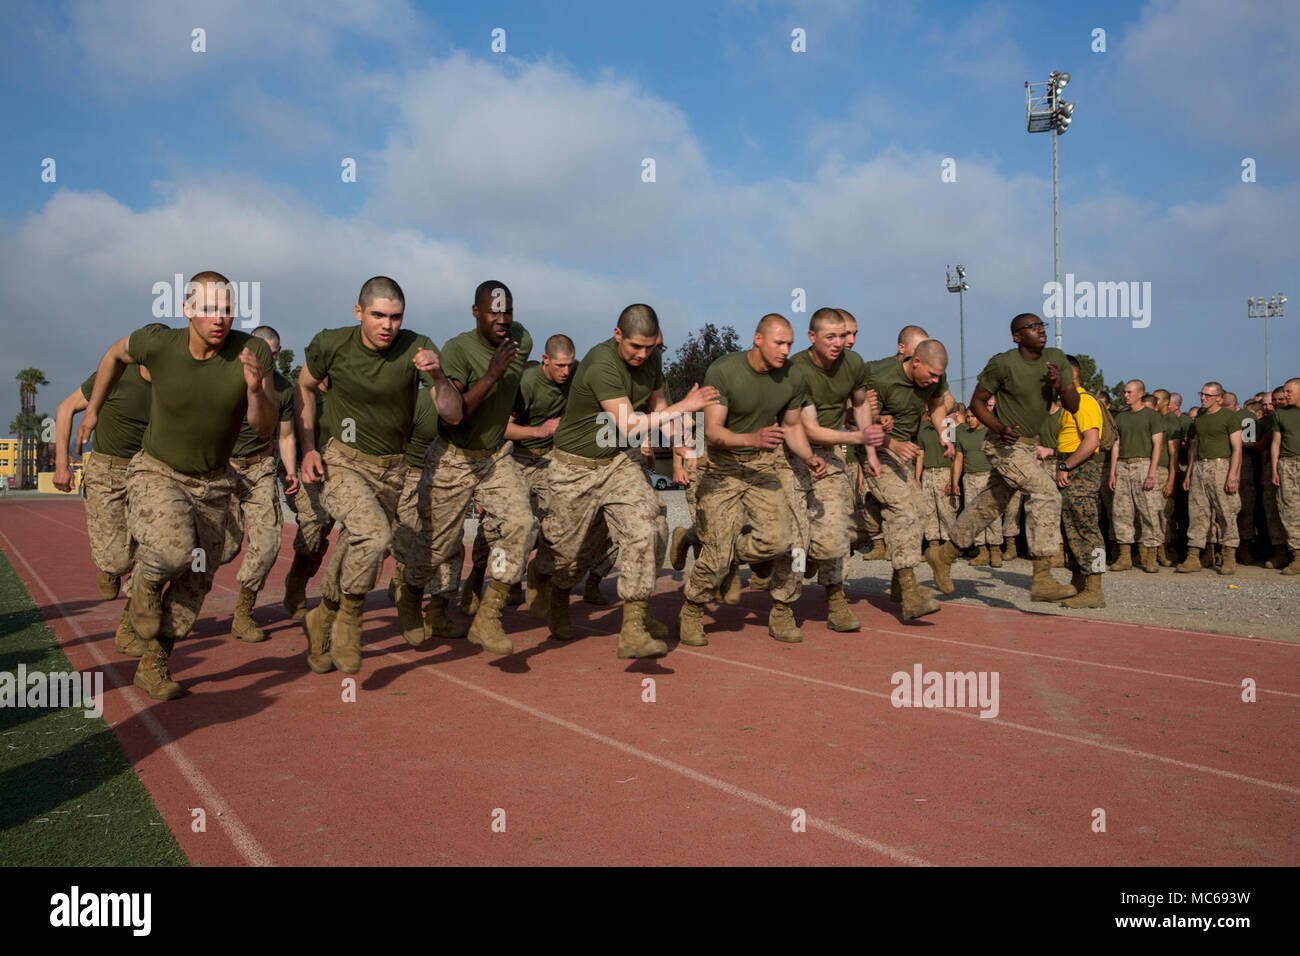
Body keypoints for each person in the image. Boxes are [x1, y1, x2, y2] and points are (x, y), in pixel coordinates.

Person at [77, 273, 276, 700]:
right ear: (187, 310)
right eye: (208, 309)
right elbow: (113, 355)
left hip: (216, 484)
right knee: (171, 551)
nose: (219, 319)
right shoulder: (159, 345)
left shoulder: (252, 352)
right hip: (158, 472)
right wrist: (93, 410)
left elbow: (263, 428)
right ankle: (144, 587)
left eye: (226, 309)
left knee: (197, 577)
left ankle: (154, 665)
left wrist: (256, 391)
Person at [297, 276, 463, 674]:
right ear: (359, 312)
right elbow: (304, 388)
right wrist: (306, 449)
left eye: (395, 317)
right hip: (343, 461)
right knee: (375, 535)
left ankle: (322, 618)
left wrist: (438, 376)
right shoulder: (330, 344)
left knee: (353, 549)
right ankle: (350, 621)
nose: (387, 325)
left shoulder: (417, 347)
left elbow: (453, 413)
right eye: (378, 316)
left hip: (393, 469)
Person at [536, 304, 717, 657]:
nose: (643, 355)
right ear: (618, 334)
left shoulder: (650, 360)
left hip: (618, 461)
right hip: (575, 465)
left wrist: (682, 446)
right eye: (636, 347)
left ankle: (635, 623)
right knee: (569, 554)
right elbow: (631, 424)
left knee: (648, 527)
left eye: (651, 348)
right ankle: (555, 591)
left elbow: (658, 406)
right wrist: (686, 406)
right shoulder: (601, 363)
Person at [397, 281, 536, 656]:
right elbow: (453, 418)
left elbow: (514, 378)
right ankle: (410, 595)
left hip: (493, 456)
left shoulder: (521, 338)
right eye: (494, 312)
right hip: (453, 457)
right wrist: (492, 374)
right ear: (476, 312)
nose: (503, 320)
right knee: (437, 544)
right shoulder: (458, 350)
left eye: (508, 311)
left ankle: (489, 613)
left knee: (521, 524)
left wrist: (512, 391)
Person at [678, 314, 827, 644]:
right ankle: (692, 608)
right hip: (720, 468)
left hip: (762, 468)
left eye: (790, 343)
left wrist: (808, 456)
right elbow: (713, 433)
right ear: (758, 339)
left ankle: (783, 609)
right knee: (716, 558)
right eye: (779, 342)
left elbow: (791, 427)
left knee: (786, 539)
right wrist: (752, 439)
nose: (786, 350)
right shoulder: (724, 371)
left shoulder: (793, 377)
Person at [926, 313, 1079, 603]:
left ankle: (942, 555)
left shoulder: (1056, 358)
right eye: (1031, 328)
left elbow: (1073, 404)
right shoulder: (1003, 363)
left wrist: (1059, 385)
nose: (1040, 331)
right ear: (1017, 336)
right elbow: (977, 402)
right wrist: (998, 427)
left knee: (988, 505)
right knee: (1046, 493)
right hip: (1002, 444)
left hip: (1027, 445)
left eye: (1041, 326)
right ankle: (1043, 576)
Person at [53, 324, 165, 655]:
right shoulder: (116, 374)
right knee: (118, 560)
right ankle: (110, 568)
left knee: (158, 551)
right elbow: (64, 410)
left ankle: (129, 628)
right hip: (107, 471)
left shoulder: (172, 382)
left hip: (148, 472)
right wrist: (63, 464)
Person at [786, 308, 880, 631]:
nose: (840, 343)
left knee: (835, 530)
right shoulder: (796, 369)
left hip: (833, 451)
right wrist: (855, 435)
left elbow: (860, 403)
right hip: (794, 451)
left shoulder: (854, 364)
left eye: (843, 336)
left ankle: (836, 600)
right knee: (790, 537)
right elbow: (808, 428)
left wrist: (869, 450)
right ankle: (782, 606)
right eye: (831, 337)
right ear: (812, 337)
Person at [861, 339, 952, 620]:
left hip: (904, 454)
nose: (935, 380)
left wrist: (942, 433)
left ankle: (896, 585)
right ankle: (910, 593)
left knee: (920, 509)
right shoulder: (882, 379)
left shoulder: (934, 378)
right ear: (915, 362)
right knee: (902, 510)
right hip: (876, 452)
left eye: (939, 376)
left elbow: (937, 405)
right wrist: (891, 442)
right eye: (931, 375)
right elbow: (862, 422)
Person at [220, 325, 298, 642]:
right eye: (265, 352)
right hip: (221, 469)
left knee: (267, 543)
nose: (271, 358)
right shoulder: (225, 378)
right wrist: (220, 458)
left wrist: (290, 471)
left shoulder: (283, 389)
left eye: (276, 353)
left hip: (262, 468)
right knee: (222, 548)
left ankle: (243, 612)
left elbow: (287, 434)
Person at [1055, 356, 1107, 607]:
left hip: (1081, 470)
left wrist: (1066, 465)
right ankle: (1078, 581)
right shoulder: (1068, 403)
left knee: (1088, 529)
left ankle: (1095, 588)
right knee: (1071, 528)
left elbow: (1091, 441)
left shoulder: (1084, 401)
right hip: (1070, 467)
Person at [282, 375, 334, 619]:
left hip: (338, 473)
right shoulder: (300, 396)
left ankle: (308, 577)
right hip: (305, 470)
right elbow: (284, 435)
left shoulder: (346, 395)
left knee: (327, 530)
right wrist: (289, 471)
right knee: (316, 521)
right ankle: (296, 582)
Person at [1177, 382, 1242, 574]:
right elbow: (1194, 446)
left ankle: (1229, 557)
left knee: (1226, 512)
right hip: (1199, 467)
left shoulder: (1230, 417)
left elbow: (1237, 448)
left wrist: (1233, 475)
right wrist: (1189, 473)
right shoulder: (1199, 417)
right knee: (1197, 512)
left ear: (1219, 398)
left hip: (1221, 466)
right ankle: (1194, 556)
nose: (1202, 398)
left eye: (1207, 395)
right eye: (1201, 394)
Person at [1107, 379, 1165, 573]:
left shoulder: (1151, 416)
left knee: (1149, 511)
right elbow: (1116, 444)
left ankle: (1150, 556)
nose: (1126, 395)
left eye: (1129, 392)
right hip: (1123, 465)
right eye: (1124, 392)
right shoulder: (1121, 417)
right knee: (1121, 512)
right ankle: (1125, 556)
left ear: (1140, 393)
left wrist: (1151, 472)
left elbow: (1158, 444)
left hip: (1143, 464)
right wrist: (1113, 472)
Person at [952, 398, 1002, 567]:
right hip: (970, 478)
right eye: (968, 417)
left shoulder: (990, 432)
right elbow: (958, 458)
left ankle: (995, 549)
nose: (970, 420)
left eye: (974, 416)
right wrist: (955, 481)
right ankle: (982, 550)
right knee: (974, 514)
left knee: (992, 513)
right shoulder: (963, 433)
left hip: (988, 476)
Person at [1269, 377, 1300, 574]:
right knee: (1290, 511)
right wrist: (1274, 468)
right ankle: (1297, 555)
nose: (1285, 395)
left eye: (1289, 391)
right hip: (1287, 464)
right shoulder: (1280, 414)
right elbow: (1276, 443)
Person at [1152, 389, 1182, 566]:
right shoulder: (1155, 418)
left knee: (1164, 513)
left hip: (1164, 471)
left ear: (1166, 402)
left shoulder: (1171, 421)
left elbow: (1174, 453)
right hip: (1152, 470)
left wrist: (1171, 480)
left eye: (1157, 400)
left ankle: (1165, 549)